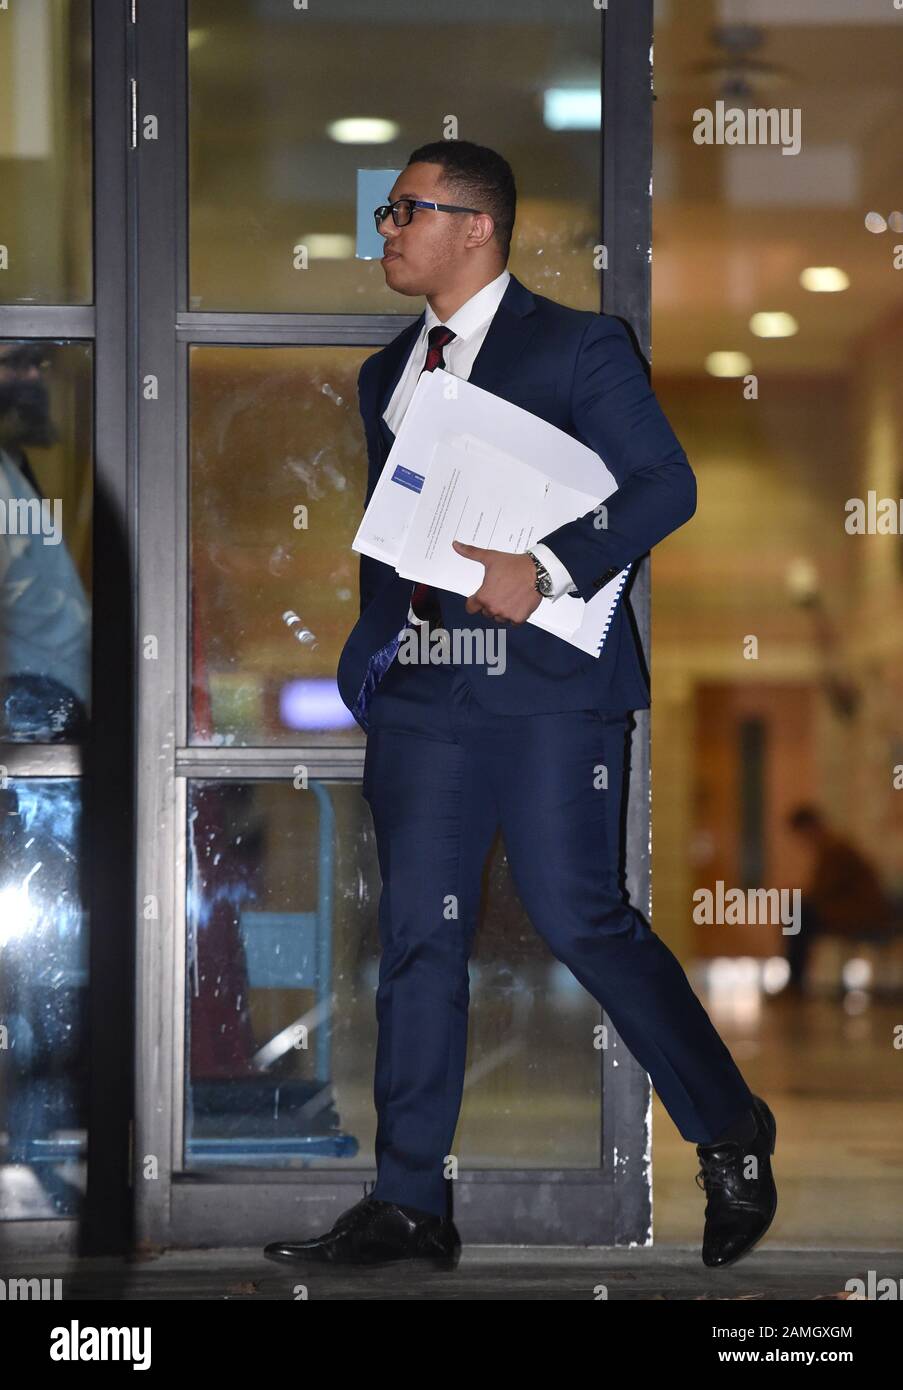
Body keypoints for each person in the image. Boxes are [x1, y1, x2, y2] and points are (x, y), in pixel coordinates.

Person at [264, 141, 776, 1272]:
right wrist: (370, 667)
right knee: (416, 942)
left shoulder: (580, 346)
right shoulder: (387, 369)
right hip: (426, 695)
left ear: (476, 228)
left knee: (579, 914)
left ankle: (731, 1130)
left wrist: (543, 567)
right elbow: (393, 534)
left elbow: (666, 486)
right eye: (387, 211)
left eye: (406, 210)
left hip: (551, 692)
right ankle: (409, 1202)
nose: (385, 230)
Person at [783, 803, 893, 996]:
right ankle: (795, 981)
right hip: (850, 911)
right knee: (796, 913)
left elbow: (824, 891)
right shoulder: (832, 848)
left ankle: (795, 982)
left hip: (860, 914)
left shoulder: (836, 850)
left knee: (796, 914)